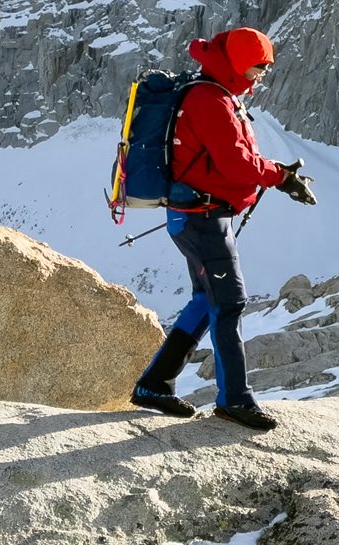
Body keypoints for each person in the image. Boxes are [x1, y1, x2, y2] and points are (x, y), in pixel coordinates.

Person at [130, 26, 314, 430]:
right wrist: (279, 177)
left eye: (263, 70)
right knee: (229, 301)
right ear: (233, 63)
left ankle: (154, 385)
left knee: (205, 300)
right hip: (203, 218)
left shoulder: (217, 94)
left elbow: (233, 159)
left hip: (200, 215)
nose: (259, 77)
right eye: (255, 68)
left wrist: (276, 176)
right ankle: (234, 400)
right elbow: (235, 163)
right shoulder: (209, 99)